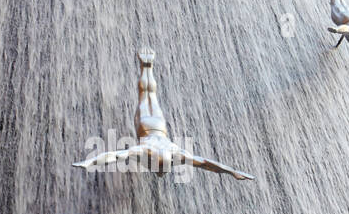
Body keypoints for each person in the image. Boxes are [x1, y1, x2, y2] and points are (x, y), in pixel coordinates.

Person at [73, 51, 253, 181]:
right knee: (145, 95)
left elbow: (206, 163)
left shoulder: (177, 154)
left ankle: (147, 67)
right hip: (144, 126)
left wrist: (232, 171)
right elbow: (115, 155)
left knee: (151, 95)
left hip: (159, 125)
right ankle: (146, 67)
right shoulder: (147, 152)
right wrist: (90, 162)